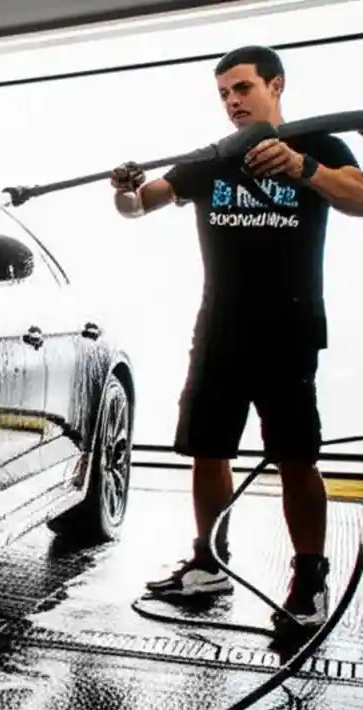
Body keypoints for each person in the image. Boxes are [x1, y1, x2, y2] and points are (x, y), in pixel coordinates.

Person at [108, 45, 363, 628]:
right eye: (224, 93)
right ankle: (208, 564)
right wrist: (125, 188)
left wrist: (303, 170)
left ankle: (310, 579)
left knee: (296, 457)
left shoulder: (320, 148)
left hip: (290, 331)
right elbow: (138, 205)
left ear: (276, 85)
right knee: (208, 449)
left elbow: (361, 198)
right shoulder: (212, 159)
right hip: (220, 330)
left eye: (242, 88)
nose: (232, 102)